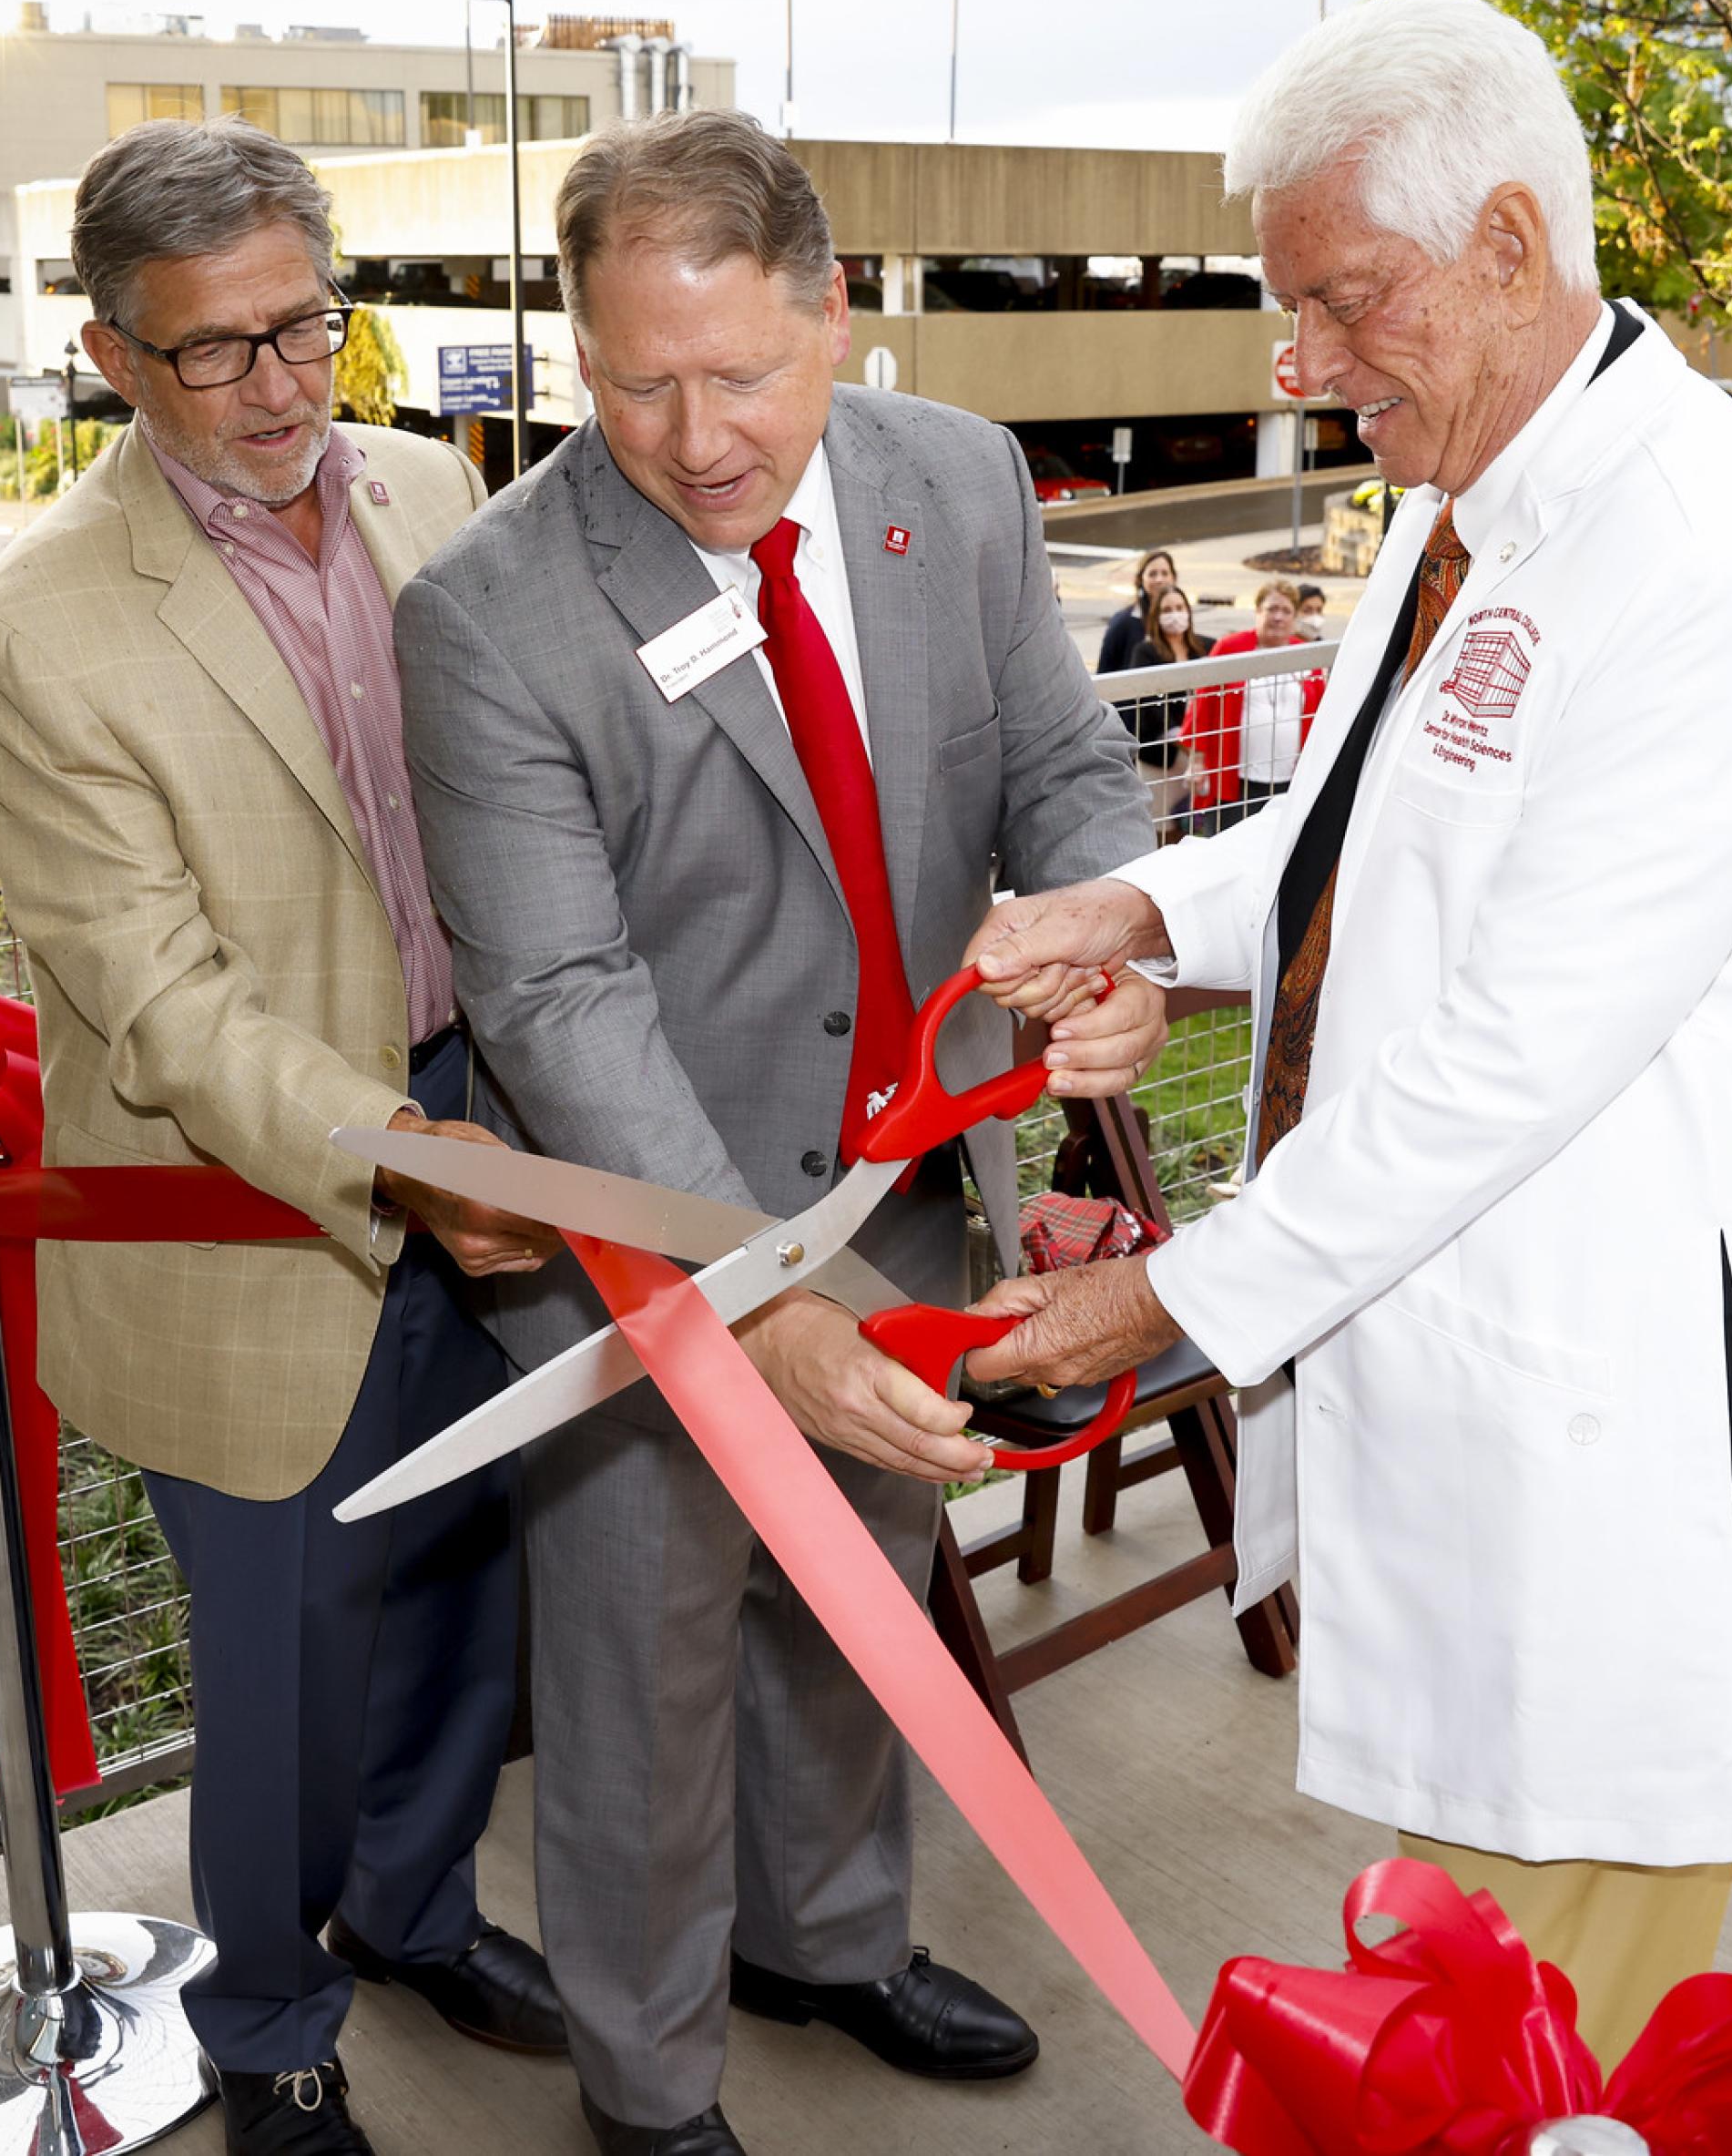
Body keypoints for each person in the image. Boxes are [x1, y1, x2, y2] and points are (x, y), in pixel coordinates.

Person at [951, 0, 1732, 2068]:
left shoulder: (1698, 561)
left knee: (1543, 2061)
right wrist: (1140, 909)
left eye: (1344, 303)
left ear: (1514, 247)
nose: (1303, 367)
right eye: (1288, 309)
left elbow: (1520, 1044)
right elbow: (1351, 833)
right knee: (1452, 2012)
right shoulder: (1479, 495)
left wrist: (1163, 1306)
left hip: (1607, 1445)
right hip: (1466, 1406)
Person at [391, 108, 1159, 2156]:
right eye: (635, 379)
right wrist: (751, 1305)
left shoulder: (964, 481)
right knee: (641, 1693)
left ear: (834, 314)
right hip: (646, 1254)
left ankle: (829, 1934)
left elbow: (1072, 765)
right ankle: (649, 2086)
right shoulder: (488, 612)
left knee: (861, 1605)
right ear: (577, 352)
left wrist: (1109, 936)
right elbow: (558, 1006)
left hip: (905, 1196)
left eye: (739, 370)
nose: (696, 434)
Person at [0, 115, 566, 2156]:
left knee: (481, 1575)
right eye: (219, 351)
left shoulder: (425, 480)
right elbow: (161, 991)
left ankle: (410, 1910)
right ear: (115, 357)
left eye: (308, 324)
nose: (286, 388)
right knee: (294, 1667)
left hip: (489, 1112)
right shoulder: (39, 629)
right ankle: (275, 2023)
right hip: (251, 1198)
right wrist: (406, 1153)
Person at [1181, 580, 1324, 826]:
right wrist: (1197, 760)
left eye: (1286, 611)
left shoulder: (1305, 654)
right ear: (1258, 611)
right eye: (1272, 609)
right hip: (1238, 780)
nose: (1278, 617)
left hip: (1289, 779)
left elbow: (1320, 711)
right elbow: (1203, 705)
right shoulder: (1229, 648)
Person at [1113, 578, 1212, 835]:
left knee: (1196, 824)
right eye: (1167, 610)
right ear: (1156, 617)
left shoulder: (1205, 647)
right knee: (1162, 825)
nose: (1175, 615)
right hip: (1162, 754)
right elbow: (1146, 699)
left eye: (1180, 607)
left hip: (1198, 752)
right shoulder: (1145, 652)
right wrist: (1178, 734)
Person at [1095, 547, 1183, 673]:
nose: (1159, 579)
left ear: (1174, 578)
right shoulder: (1123, 622)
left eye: (1165, 573)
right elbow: (1104, 671)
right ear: (1140, 580)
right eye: (1152, 574)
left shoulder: (1180, 619)